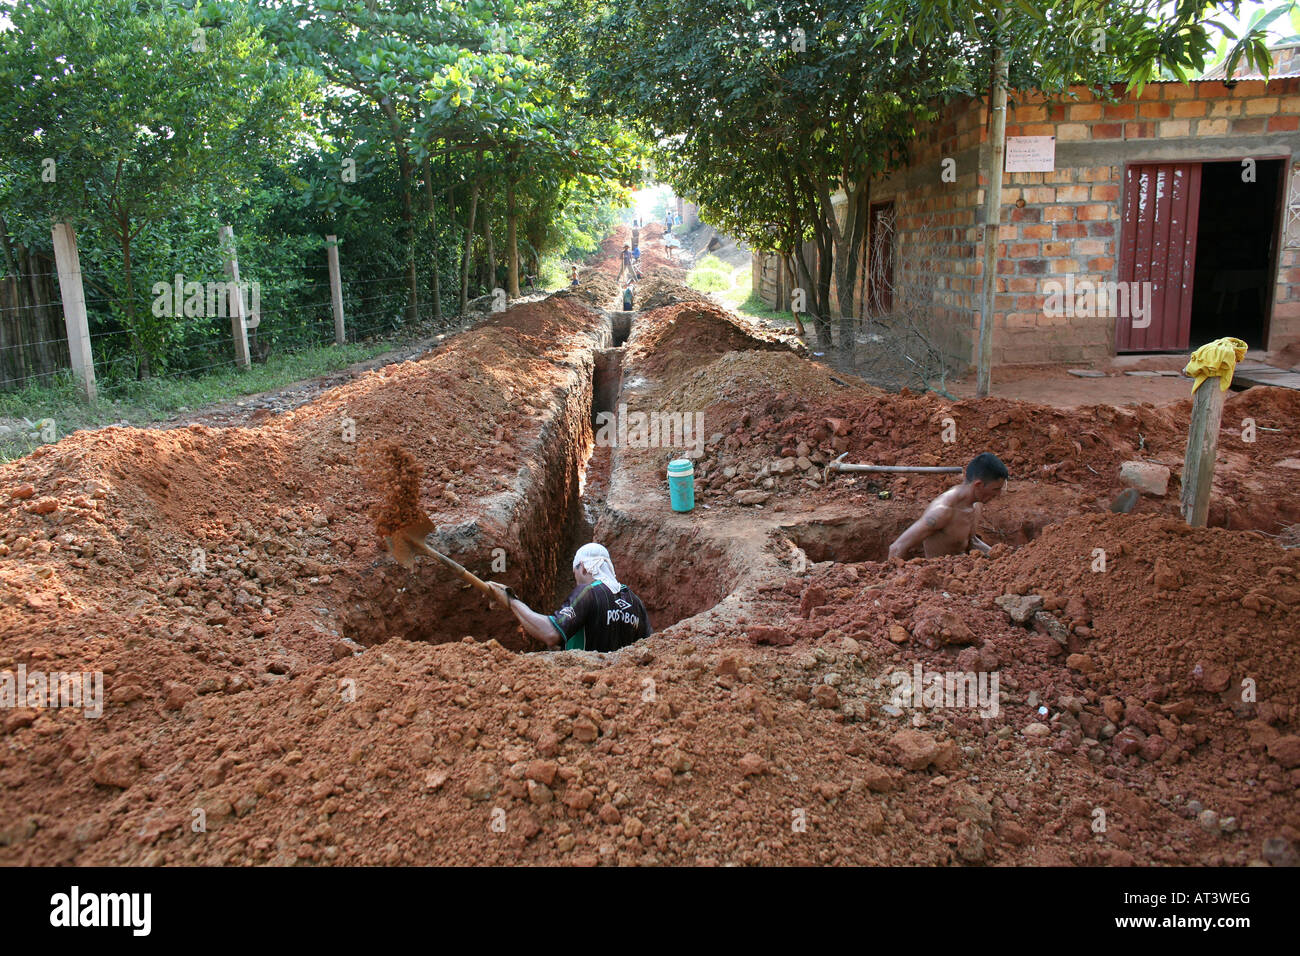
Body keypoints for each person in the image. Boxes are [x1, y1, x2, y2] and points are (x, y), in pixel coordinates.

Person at [489, 544, 652, 652]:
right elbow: (647, 647)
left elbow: (551, 633)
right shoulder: (635, 601)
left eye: (574, 571)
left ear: (583, 567)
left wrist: (511, 601)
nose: (575, 578)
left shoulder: (588, 592)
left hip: (583, 686)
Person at [887, 452, 1008, 559]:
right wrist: (897, 580)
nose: (998, 494)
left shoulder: (976, 505)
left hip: (964, 574)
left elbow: (972, 541)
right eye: (995, 489)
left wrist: (1002, 559)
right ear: (978, 484)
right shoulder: (942, 511)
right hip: (939, 578)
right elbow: (897, 548)